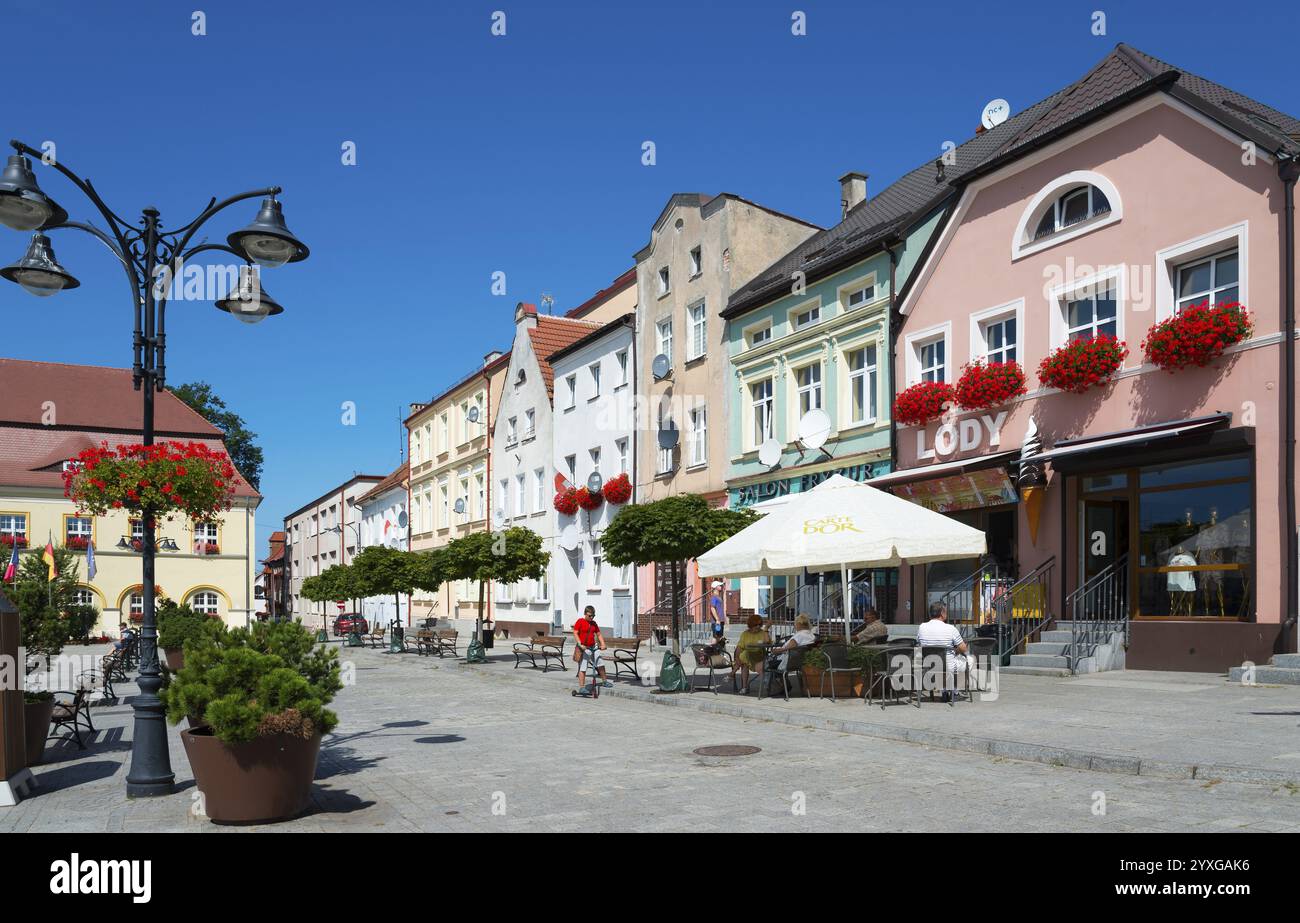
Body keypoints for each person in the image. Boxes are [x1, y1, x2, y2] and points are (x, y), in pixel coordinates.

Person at [916, 602, 971, 702]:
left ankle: (944, 690)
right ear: (942, 613)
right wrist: (955, 651)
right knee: (970, 660)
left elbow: (919, 644)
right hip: (948, 667)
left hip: (929, 667)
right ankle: (955, 691)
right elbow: (963, 648)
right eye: (946, 611)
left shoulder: (922, 627)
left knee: (943, 665)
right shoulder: (950, 628)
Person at [572, 605, 611, 695]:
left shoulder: (594, 623)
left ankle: (604, 681)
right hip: (584, 648)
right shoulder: (580, 621)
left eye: (593, 616)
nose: (591, 617)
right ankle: (582, 687)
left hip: (594, 647)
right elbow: (575, 632)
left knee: (600, 663)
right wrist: (580, 643)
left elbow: (599, 634)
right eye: (589, 616)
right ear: (585, 614)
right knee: (583, 666)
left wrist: (603, 644)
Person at [733, 613, 770, 694]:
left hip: (759, 657)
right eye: (755, 624)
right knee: (745, 658)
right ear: (751, 625)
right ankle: (744, 687)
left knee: (745, 655)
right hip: (748, 657)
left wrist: (766, 628)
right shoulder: (745, 634)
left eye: (759, 625)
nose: (758, 626)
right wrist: (737, 658)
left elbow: (767, 642)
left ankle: (732, 674)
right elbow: (739, 647)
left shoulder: (762, 632)